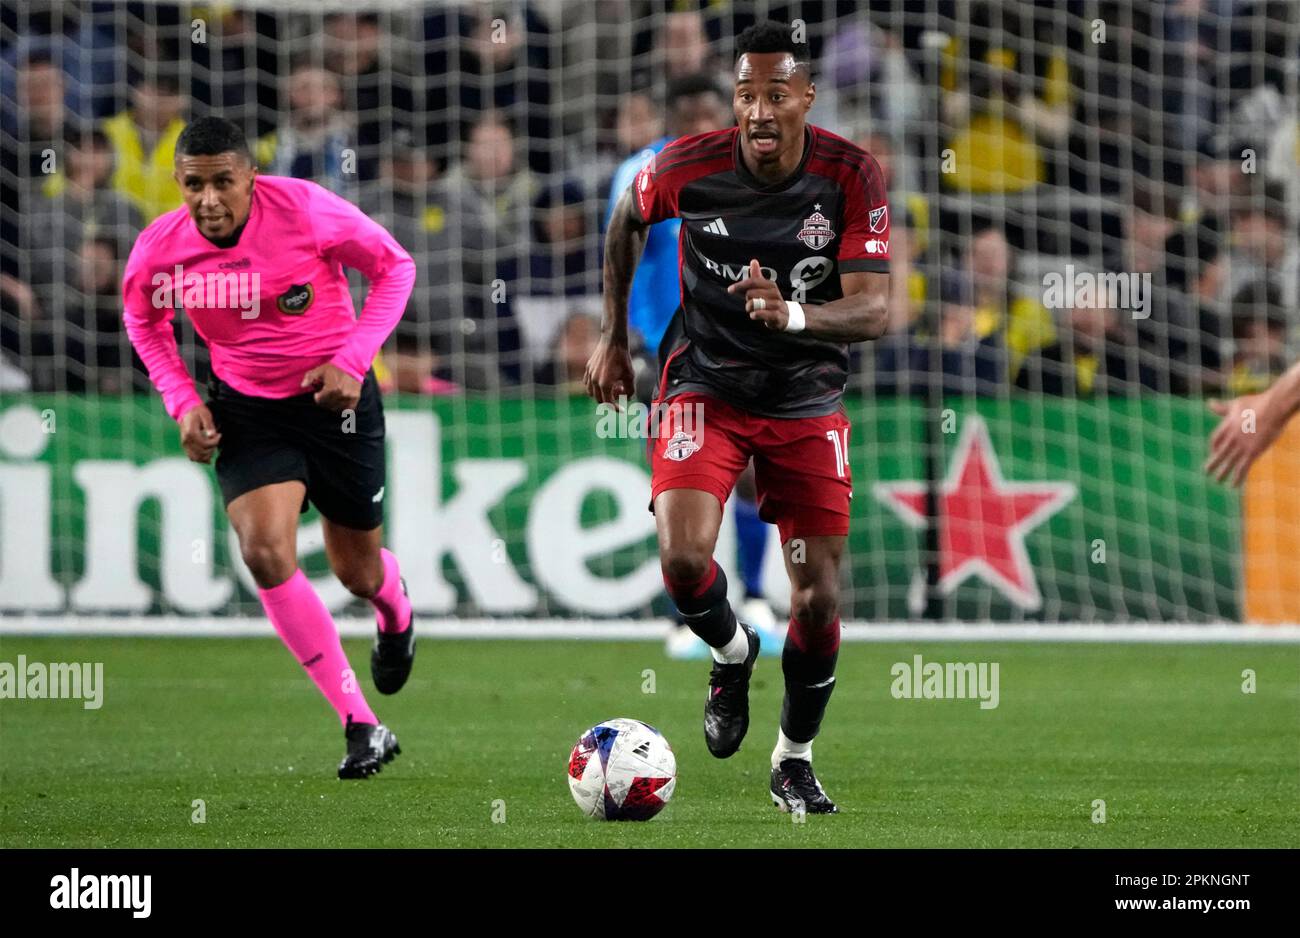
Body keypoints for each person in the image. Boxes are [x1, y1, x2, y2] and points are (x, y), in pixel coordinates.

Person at [585, 21, 890, 813]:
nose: (759, 109)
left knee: (819, 600)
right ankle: (732, 651)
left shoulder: (850, 174)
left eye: (775, 94)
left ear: (805, 99)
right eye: (746, 94)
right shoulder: (688, 165)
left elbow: (877, 308)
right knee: (685, 564)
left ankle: (793, 759)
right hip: (705, 385)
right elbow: (626, 218)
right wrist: (613, 340)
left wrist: (791, 316)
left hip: (805, 399)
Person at [121, 117, 418, 779]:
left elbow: (396, 267)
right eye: (194, 185)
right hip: (248, 411)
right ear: (178, 182)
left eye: (223, 182)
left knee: (357, 574)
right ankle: (360, 723)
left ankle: (396, 610)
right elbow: (143, 321)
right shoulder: (160, 250)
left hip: (335, 404)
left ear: (250, 177)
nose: (208, 200)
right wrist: (182, 400)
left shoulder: (308, 210)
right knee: (262, 548)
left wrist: (353, 358)